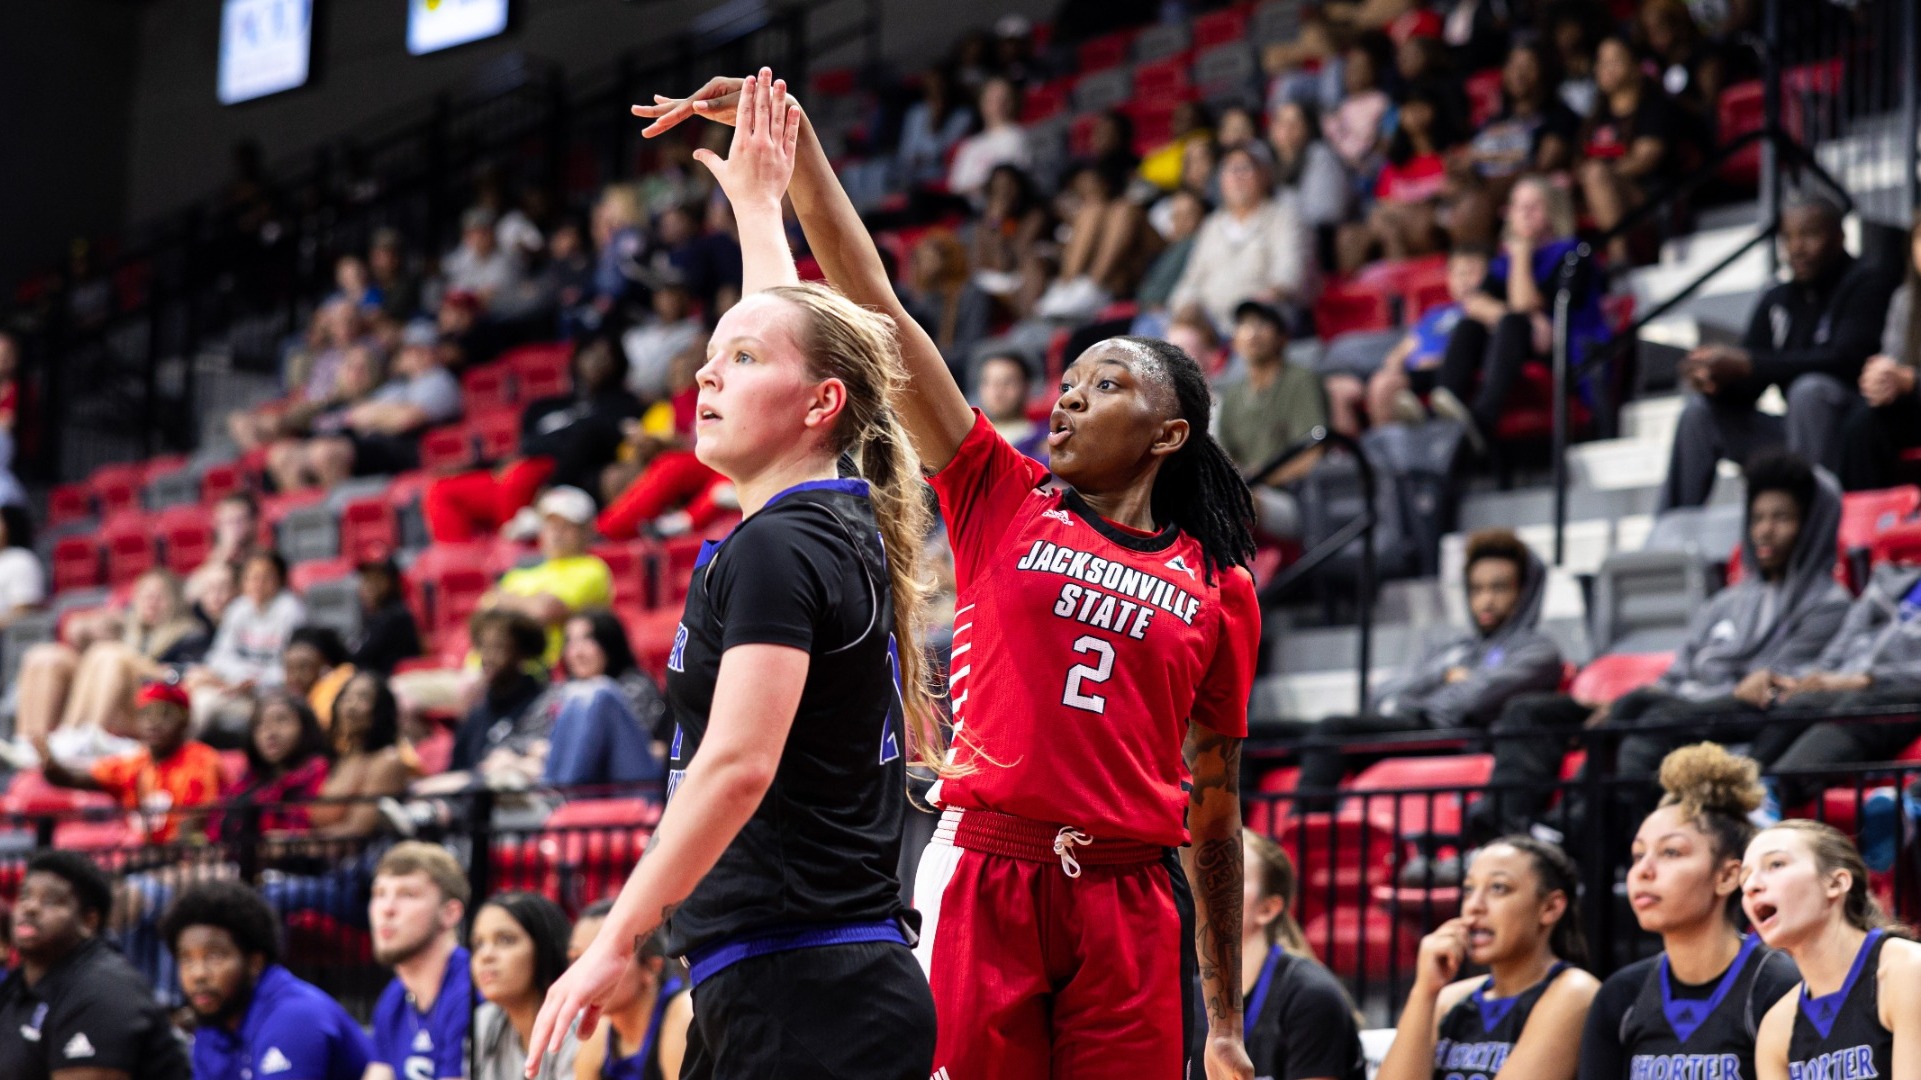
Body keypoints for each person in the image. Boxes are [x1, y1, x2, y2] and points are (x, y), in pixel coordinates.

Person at [636, 69, 1261, 1080]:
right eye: (1063, 384)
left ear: (1169, 434)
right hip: (989, 871)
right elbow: (874, 307)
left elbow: (1218, 808)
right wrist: (798, 156)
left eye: (1104, 387)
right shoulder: (998, 491)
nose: (1064, 402)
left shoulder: (1219, 587)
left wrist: (1223, 1015)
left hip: (1131, 896)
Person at [529, 72, 942, 1080]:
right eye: (709, 356)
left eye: (738, 359)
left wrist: (615, 938)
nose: (706, 373)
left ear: (818, 405)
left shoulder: (782, 547)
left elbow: (736, 768)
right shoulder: (820, 522)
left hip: (808, 991)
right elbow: (792, 339)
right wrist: (757, 205)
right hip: (798, 983)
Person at [1466, 453, 1851, 847]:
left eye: (1781, 518)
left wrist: (1640, 704)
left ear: (1810, 526)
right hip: (1674, 704)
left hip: (1737, 715)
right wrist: (1619, 705)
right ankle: (1505, 832)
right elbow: (1678, 671)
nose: (1765, 531)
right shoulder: (1724, 601)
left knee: (1647, 713)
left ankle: (1569, 828)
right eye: (1757, 518)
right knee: (1531, 711)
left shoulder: (1829, 604)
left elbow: (1775, 688)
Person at [1290, 529, 1563, 807]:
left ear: (1525, 591)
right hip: (1412, 730)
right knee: (1259, 734)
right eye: (1477, 589)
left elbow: (1471, 704)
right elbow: (1382, 694)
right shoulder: (1449, 646)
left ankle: (1300, 831)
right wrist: (1443, 677)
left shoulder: (1538, 650)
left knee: (1331, 729)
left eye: (1499, 588)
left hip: (1448, 741)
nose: (1487, 600)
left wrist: (1421, 698)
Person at [1577, 744, 1800, 1080]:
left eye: (1670, 852)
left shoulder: (1777, 985)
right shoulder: (1621, 994)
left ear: (1727, 876)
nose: (1643, 871)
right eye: (1638, 856)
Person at [1661, 193, 1894, 507]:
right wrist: (1717, 380)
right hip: (1796, 434)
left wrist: (1748, 364)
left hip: (1853, 431)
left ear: (1839, 236)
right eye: (1788, 237)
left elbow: (1846, 360)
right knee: (1699, 414)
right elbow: (1751, 380)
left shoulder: (1867, 281)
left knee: (1809, 391)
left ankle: (1813, 519)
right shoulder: (1778, 299)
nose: (1796, 248)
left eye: (1809, 235)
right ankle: (1670, 532)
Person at [1375, 837, 1600, 1080]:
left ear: (1550, 907)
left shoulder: (1574, 992)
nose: (1474, 906)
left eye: (1498, 888)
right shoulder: (1448, 1000)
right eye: (1469, 889)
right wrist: (1424, 991)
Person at [1427, 175, 1608, 457]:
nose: (1524, 213)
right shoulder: (1501, 263)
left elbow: (1525, 303)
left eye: (1534, 206)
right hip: (1524, 341)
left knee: (1512, 323)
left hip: (1567, 347)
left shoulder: (1572, 254)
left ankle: (1482, 421)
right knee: (1470, 326)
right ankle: (1443, 409)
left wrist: (1522, 252)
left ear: (1553, 212)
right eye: (1518, 206)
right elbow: (1473, 303)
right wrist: (1517, 316)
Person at [1743, 821, 1921, 1080]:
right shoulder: (1777, 1025)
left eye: (1776, 864)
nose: (1751, 886)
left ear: (1836, 883)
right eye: (1744, 877)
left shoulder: (1907, 972)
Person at [424, 336, 645, 542]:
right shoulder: (544, 407)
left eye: (604, 355)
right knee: (442, 490)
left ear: (618, 362)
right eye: (589, 353)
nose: (595, 362)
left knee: (519, 476)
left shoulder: (625, 405)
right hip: (517, 477)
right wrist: (474, 466)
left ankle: (514, 558)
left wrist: (553, 484)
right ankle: (463, 567)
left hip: (562, 480)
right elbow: (522, 448)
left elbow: (594, 443)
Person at [0, 852, 191, 1080]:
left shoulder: (104, 989)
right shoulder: (16, 986)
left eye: (50, 901)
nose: (30, 908)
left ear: (89, 922)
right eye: (24, 896)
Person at [161, 880, 373, 1080]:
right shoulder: (213, 1026)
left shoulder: (294, 1018)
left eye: (214, 956)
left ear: (255, 963)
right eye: (186, 959)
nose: (198, 974)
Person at [11, 568, 206, 749]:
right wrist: (83, 626)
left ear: (176, 601)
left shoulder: (190, 635)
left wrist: (131, 661)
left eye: (160, 596)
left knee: (108, 654)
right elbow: (78, 632)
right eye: (146, 595)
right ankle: (29, 743)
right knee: (45, 656)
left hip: (148, 703)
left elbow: (183, 675)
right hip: (107, 692)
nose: (151, 601)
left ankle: (79, 742)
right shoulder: (124, 627)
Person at [275, 319, 464, 488]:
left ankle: (341, 517)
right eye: (408, 350)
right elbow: (358, 415)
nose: (411, 355)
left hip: (399, 450)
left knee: (325, 453)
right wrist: (375, 415)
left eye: (420, 350)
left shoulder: (438, 380)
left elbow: (405, 419)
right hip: (365, 443)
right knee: (282, 455)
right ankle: (308, 520)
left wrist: (371, 415)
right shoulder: (395, 386)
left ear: (436, 352)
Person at [1241, 832, 1366, 1080]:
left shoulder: (1311, 995)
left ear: (1267, 909)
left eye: (1228, 876)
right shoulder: (1186, 987)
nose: (1207, 886)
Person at [34, 680, 222, 845]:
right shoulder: (135, 763)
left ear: (185, 721)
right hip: (143, 861)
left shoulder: (200, 761)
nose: (154, 723)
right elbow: (72, 779)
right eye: (146, 714)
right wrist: (50, 765)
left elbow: (191, 832)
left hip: (188, 863)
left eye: (165, 714)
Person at [1169, 143, 1318, 332]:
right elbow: (1191, 280)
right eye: (1229, 170)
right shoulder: (1212, 224)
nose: (1237, 177)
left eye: (1245, 168)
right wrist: (1186, 305)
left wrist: (1264, 301)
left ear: (1264, 175)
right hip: (1210, 323)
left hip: (1261, 320)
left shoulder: (1285, 217)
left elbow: (1290, 275)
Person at [1216, 300, 1329, 541]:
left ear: (1282, 337)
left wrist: (1264, 477)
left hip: (1297, 498)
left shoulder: (1300, 380)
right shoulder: (1233, 395)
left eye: (1262, 324)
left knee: (1230, 501)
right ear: (1234, 341)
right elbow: (1226, 458)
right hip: (1249, 490)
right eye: (1244, 325)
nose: (1253, 332)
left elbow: (1313, 455)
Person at [366, 842, 476, 1080]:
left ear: (450, 913)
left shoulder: (471, 990)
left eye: (407, 894)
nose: (387, 908)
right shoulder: (394, 997)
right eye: (379, 894)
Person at [1576, 36, 1689, 265]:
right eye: (1601, 61)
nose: (1605, 68)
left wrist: (1602, 175)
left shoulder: (1655, 106)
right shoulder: (1596, 116)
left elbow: (1646, 158)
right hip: (1597, 190)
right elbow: (1578, 160)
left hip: (1650, 197)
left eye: (1615, 61)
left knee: (1596, 175)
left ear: (1637, 68)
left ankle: (1619, 257)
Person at [186, 550, 308, 743]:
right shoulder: (239, 608)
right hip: (235, 690)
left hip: (273, 696)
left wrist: (252, 681)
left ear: (280, 580)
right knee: (199, 696)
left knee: (206, 703)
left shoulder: (292, 612)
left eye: (265, 577)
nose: (257, 584)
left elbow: (293, 670)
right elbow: (219, 657)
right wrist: (235, 680)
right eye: (252, 577)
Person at [483, 487, 614, 666]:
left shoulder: (592, 568)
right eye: (550, 525)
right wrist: (529, 603)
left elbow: (546, 610)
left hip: (543, 672)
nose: (556, 532)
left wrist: (506, 600)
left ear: (587, 532)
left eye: (566, 526)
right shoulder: (523, 569)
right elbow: (484, 609)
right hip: (488, 670)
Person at [1839, 217, 1921, 491]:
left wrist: (1911, 380)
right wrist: (1880, 379)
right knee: (1862, 424)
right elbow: (1892, 359)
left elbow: (1907, 377)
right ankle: (1865, 522)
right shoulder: (1905, 300)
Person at [567, 903, 691, 1080]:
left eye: (601, 958)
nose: (582, 972)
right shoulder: (599, 1031)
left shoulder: (683, 1014)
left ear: (651, 967)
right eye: (576, 957)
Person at [543, 612, 666, 788]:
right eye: (570, 642)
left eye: (587, 640)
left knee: (601, 692)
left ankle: (559, 796)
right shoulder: (561, 692)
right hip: (585, 782)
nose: (577, 652)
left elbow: (634, 746)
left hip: (634, 782)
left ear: (609, 643)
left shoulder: (635, 686)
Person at [473, 893, 581, 1080]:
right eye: (478, 944)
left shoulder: (577, 1027)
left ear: (545, 948)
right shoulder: (484, 1021)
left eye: (505, 940)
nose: (485, 955)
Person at [209, 691, 332, 841]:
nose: (270, 732)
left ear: (305, 726)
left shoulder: (319, 770)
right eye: (260, 724)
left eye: (281, 720)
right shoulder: (248, 779)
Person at [305, 671, 412, 840]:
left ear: (380, 709)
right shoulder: (340, 759)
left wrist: (296, 842)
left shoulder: (388, 760)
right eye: (346, 697)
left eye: (363, 698)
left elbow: (358, 831)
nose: (350, 706)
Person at [947, 76, 1031, 203]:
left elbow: (1009, 181)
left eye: (1004, 99)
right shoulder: (969, 145)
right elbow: (955, 187)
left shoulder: (1018, 137)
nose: (999, 105)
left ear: (1014, 102)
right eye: (992, 99)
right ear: (981, 103)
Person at [350, 557, 423, 675]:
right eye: (366, 579)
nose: (369, 586)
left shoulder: (396, 616)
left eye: (377, 579)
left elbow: (361, 656)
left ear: (392, 583)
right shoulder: (373, 616)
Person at [973, 351, 1046, 461]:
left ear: (1026, 387)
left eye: (1007, 382)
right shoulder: (969, 439)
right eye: (989, 382)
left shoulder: (1042, 441)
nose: (998, 391)